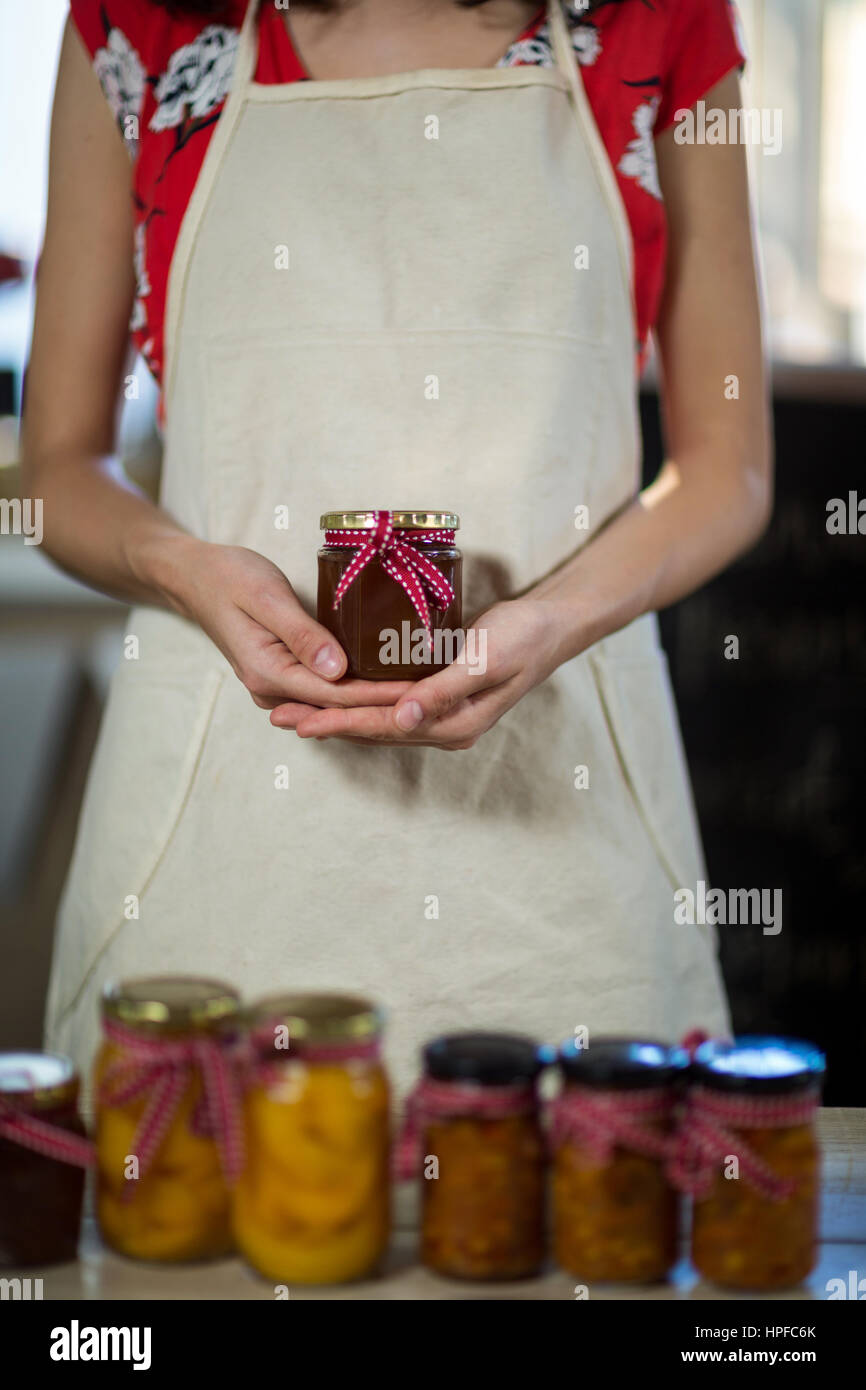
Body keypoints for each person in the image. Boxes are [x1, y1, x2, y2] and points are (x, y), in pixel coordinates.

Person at [24, 0, 770, 1096]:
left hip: (560, 841)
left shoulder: (660, 24)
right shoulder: (135, 29)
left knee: (580, 1221)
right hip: (222, 829)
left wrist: (553, 618)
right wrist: (181, 568)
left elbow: (728, 468)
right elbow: (55, 474)